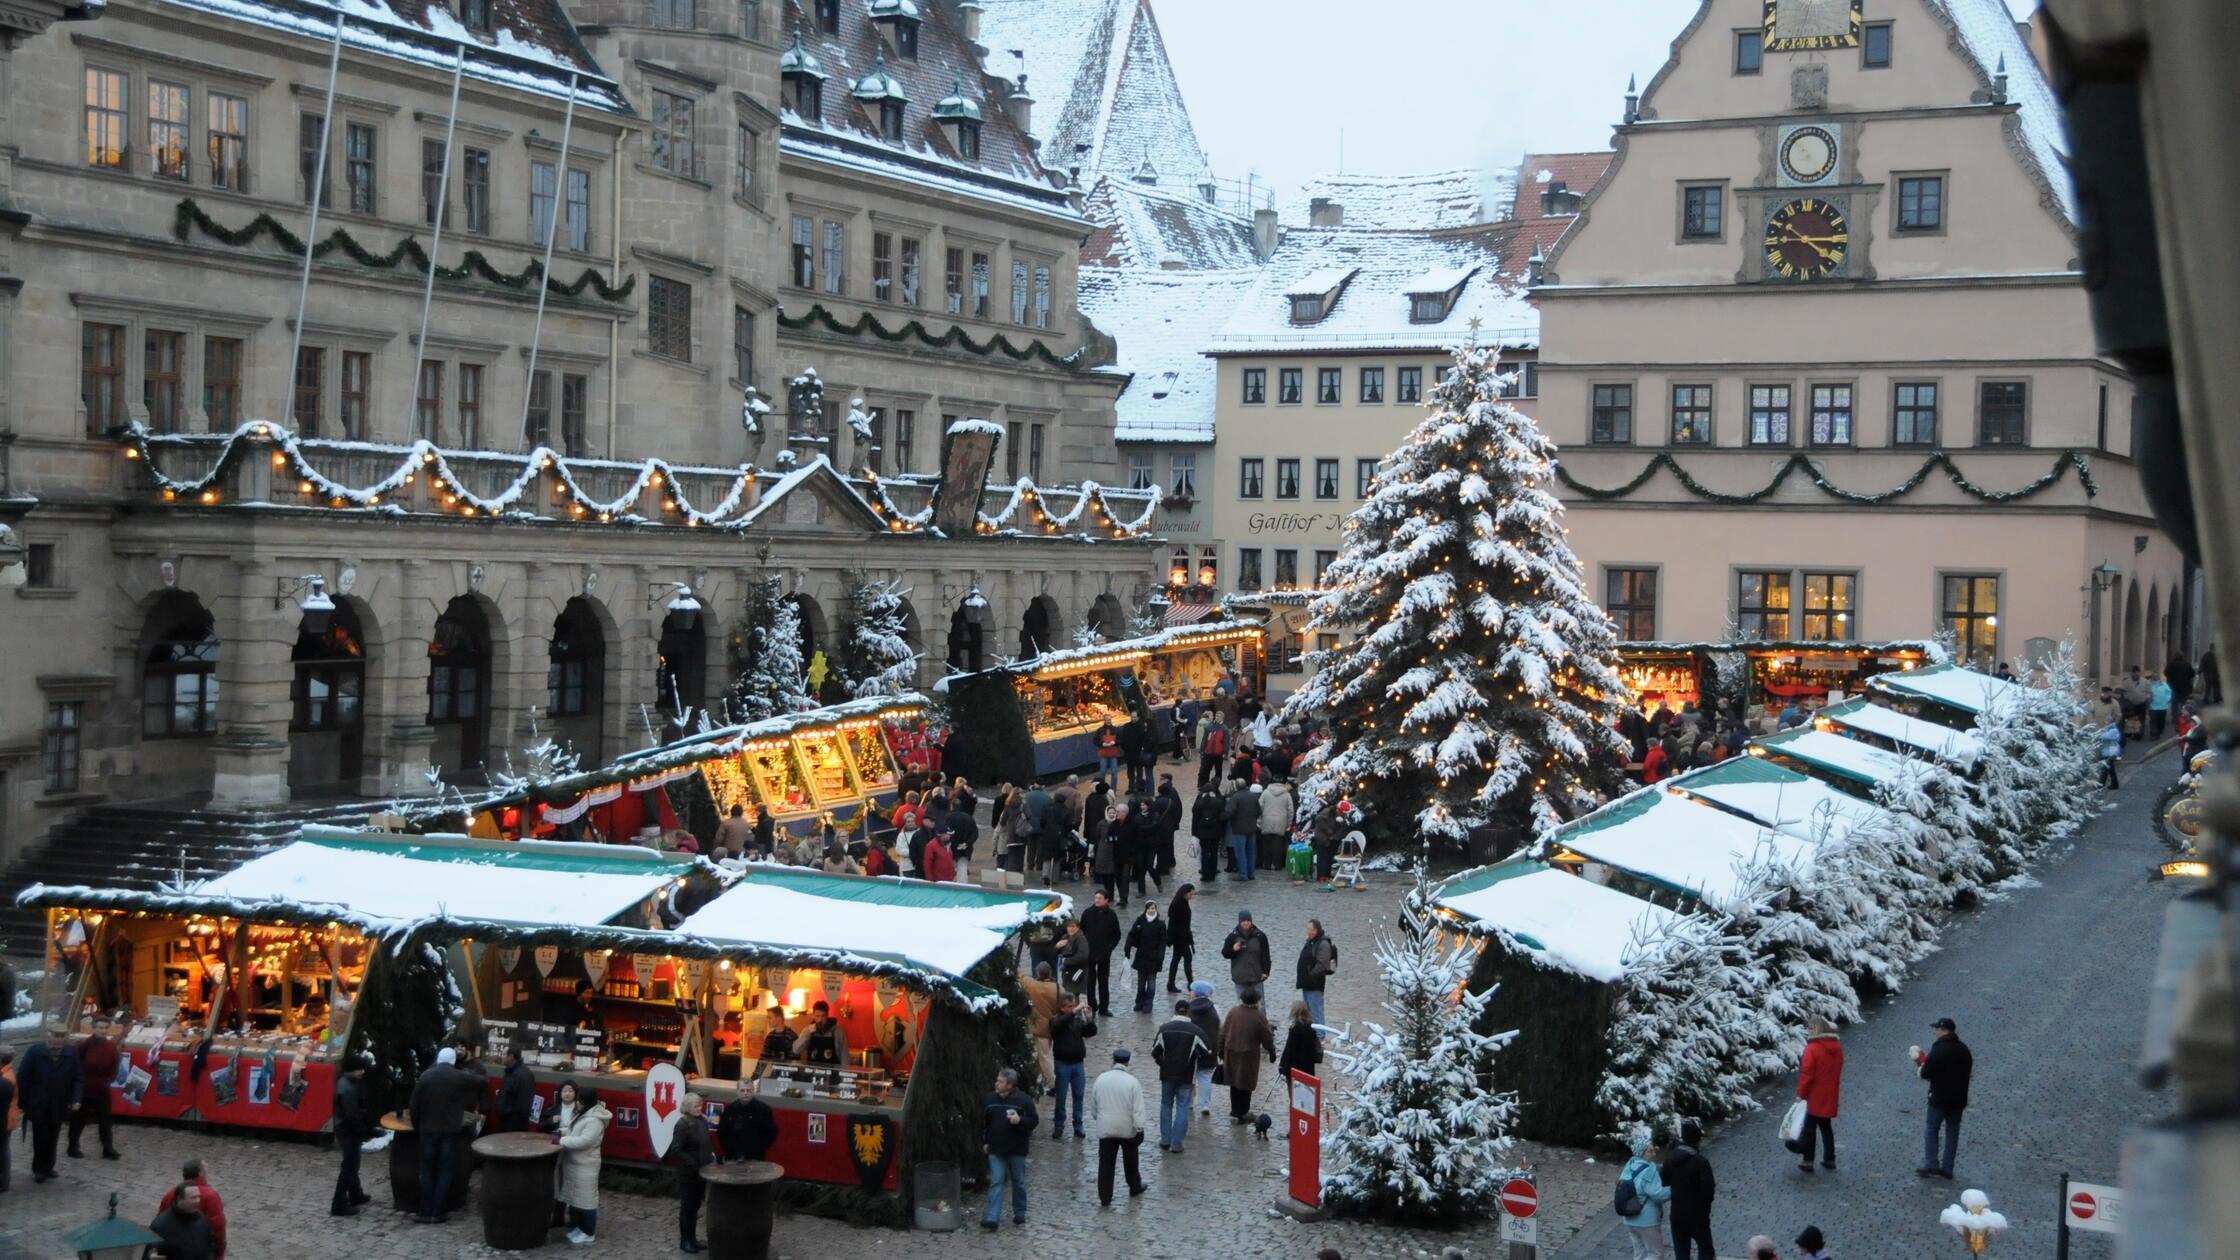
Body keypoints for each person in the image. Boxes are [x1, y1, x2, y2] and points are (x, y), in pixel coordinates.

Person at [409, 1047, 475, 1223]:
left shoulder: (426, 1076)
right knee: (444, 1171)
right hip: (449, 1130)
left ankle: (424, 1210)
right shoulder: (459, 1077)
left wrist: (418, 1126)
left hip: (428, 1130)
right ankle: (438, 1211)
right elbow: (481, 1082)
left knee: (427, 1170)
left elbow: (414, 1104)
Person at [19, 1025, 81, 1183]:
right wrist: (24, 1103)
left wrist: (76, 1099)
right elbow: (23, 1077)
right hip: (39, 1104)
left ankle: (48, 1166)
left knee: (53, 1136)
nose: (59, 1040)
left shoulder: (71, 1054)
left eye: (62, 1037)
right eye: (56, 1036)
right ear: (48, 1036)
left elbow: (78, 1078)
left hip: (59, 1104)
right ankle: (39, 1169)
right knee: (40, 1137)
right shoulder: (35, 1052)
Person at [553, 1082, 611, 1245]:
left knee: (587, 1200)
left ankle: (589, 1231)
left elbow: (585, 1140)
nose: (576, 1102)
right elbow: (575, 1130)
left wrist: (562, 1140)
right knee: (577, 1199)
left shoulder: (594, 1120)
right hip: (575, 1164)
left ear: (585, 1101)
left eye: (579, 1099)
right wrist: (562, 1132)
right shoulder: (584, 1114)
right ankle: (580, 1228)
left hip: (586, 1165)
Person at [1088, 1048, 1147, 1205]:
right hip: (1127, 1128)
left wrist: (1098, 1118)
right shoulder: (1132, 1082)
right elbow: (1138, 1108)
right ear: (1127, 1062)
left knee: (1106, 1163)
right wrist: (1139, 1127)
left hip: (1106, 1128)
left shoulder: (1101, 1079)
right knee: (1131, 1159)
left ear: (1113, 1061)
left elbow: (1094, 1105)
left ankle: (1105, 1196)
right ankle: (1134, 1185)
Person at [980, 1068, 1038, 1230]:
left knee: (1018, 1182)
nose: (996, 1083)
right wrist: (985, 1141)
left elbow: (1033, 1121)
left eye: (1000, 1081)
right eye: (997, 1080)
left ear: (1010, 1085)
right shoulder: (989, 1099)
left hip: (1016, 1149)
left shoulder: (1024, 1100)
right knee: (996, 1181)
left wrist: (1020, 1120)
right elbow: (984, 1122)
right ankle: (992, 1218)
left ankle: (1019, 1212)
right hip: (996, 1148)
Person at [1915, 1016, 1973, 1179]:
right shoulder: (1964, 1049)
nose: (1934, 1031)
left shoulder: (1939, 1049)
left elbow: (1926, 1073)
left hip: (1939, 1099)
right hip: (1958, 1100)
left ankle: (1931, 1164)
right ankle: (1948, 1168)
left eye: (1936, 1029)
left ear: (1943, 1030)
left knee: (1932, 1129)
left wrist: (1920, 1064)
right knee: (1952, 1133)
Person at [1151, 998, 1211, 1152]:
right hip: (1186, 1074)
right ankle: (1177, 1144)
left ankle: (1165, 1140)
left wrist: (1162, 1063)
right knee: (1182, 1107)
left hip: (1167, 1074)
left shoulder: (1164, 1029)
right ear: (1188, 1012)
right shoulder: (1196, 1031)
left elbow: (1154, 1051)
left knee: (1166, 1104)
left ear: (1175, 1011)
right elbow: (1207, 1052)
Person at [1217, 990, 1276, 1123]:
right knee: (1246, 1083)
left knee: (1234, 1082)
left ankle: (1236, 1109)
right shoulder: (1259, 1016)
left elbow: (1223, 1033)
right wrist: (1272, 1052)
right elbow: (1267, 1038)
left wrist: (1220, 1051)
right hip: (1248, 1055)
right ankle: (1243, 1111)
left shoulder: (1233, 1012)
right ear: (1256, 1002)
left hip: (1231, 1052)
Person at [68, 1015, 121, 1160]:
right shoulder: (84, 1045)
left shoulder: (111, 1047)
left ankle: (107, 1148)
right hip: (84, 1089)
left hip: (102, 1089)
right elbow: (75, 1064)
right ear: (94, 1028)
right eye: (99, 1028)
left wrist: (109, 1080)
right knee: (78, 1120)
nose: (102, 1031)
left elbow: (115, 1066)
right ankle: (73, 1146)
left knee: (105, 1120)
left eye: (105, 1028)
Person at [1663, 1119, 1716, 1260]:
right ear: (1697, 1140)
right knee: (1706, 1251)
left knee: (1681, 1252)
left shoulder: (1670, 1160)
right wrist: (1705, 1209)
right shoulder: (1701, 1162)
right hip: (1697, 1215)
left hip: (1677, 1214)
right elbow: (1708, 1191)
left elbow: (1664, 1180)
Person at [1795, 1015, 1843, 1172]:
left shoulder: (1812, 1049)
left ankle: (1808, 1160)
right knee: (1826, 1126)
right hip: (1830, 1093)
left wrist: (1801, 1094)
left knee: (1809, 1128)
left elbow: (1807, 1075)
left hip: (1814, 1095)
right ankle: (1830, 1158)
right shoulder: (1836, 1048)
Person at [1617, 1132, 1674, 1259]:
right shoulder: (1649, 1170)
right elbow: (1657, 1194)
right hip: (1646, 1219)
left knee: (1640, 1254)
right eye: (1650, 1151)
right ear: (1641, 1153)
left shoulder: (1630, 1166)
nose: (1654, 1154)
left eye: (1653, 1151)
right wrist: (1674, 1189)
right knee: (1655, 1254)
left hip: (1629, 1218)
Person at [156, 1160, 228, 1259]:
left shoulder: (170, 1194)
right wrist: (219, 1253)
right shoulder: (211, 1196)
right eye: (205, 1167)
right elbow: (217, 1228)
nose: (197, 1200)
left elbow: (158, 1230)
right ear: (200, 1173)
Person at [330, 1055, 373, 1216]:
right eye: (359, 1069)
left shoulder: (347, 1083)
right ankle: (339, 1203)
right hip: (348, 1131)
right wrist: (364, 1130)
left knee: (352, 1164)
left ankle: (356, 1194)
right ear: (351, 1070)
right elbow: (351, 1115)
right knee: (349, 1166)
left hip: (345, 1129)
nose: (362, 1072)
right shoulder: (347, 1088)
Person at [672, 1091, 713, 1252]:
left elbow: (705, 1144)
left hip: (701, 1172)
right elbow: (676, 1149)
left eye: (700, 1105)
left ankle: (693, 1239)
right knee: (687, 1207)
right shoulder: (682, 1124)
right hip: (688, 1173)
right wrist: (692, 1163)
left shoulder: (701, 1121)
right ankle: (685, 1241)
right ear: (687, 1107)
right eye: (695, 1106)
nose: (698, 1108)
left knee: (695, 1207)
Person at [1048, 992, 1092, 1138]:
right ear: (1062, 1007)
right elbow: (1058, 1024)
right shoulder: (1056, 1020)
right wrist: (1074, 1012)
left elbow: (1089, 1032)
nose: (1073, 1008)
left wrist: (1090, 1019)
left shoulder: (1077, 1020)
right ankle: (1059, 1125)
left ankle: (1078, 1125)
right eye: (1069, 1006)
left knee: (1078, 1096)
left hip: (1078, 1064)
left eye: (1073, 1006)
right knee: (1061, 1097)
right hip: (1062, 1064)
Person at [716, 1076, 777, 1163]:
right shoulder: (729, 1110)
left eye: (748, 1090)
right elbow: (722, 1133)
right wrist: (729, 1150)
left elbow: (772, 1133)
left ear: (753, 1091)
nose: (745, 1093)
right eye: (742, 1090)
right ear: (737, 1092)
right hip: (733, 1156)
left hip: (756, 1157)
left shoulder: (764, 1110)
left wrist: (760, 1148)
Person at [1081, 890, 1123, 1016]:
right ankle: (1092, 1006)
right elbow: (1081, 931)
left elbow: (1117, 934)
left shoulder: (1111, 915)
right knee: (1090, 982)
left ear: (1106, 900)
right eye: (1096, 898)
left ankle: (1104, 1007)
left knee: (1103, 982)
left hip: (1104, 955)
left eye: (1099, 898)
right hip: (1089, 953)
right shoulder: (1087, 913)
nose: (1097, 900)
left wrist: (1110, 948)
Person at [149, 1181, 216, 1260]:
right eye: (193, 1197)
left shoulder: (201, 1218)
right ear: (180, 1199)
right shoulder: (160, 1226)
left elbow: (210, 1244)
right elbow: (149, 1251)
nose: (198, 1200)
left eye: (198, 1197)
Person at [1221, 909, 1273, 1005]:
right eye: (1243, 921)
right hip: (1240, 977)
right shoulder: (1232, 936)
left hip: (1256, 977)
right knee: (1241, 1005)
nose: (1246, 923)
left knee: (1260, 1005)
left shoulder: (1260, 936)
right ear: (1239, 922)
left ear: (1251, 921)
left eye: (1248, 921)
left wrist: (1266, 972)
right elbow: (1225, 953)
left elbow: (1266, 955)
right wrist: (1233, 949)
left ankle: (1260, 1020)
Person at [1023, 962, 1060, 1090]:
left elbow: (1022, 978)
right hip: (1052, 1026)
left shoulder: (1033, 986)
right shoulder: (1058, 988)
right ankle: (1031, 1078)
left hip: (1038, 1027)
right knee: (1041, 1055)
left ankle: (1052, 1083)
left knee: (1044, 1056)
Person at [1187, 981, 1222, 1118]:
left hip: (1191, 1048)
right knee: (1205, 1076)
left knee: (1190, 1076)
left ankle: (1189, 1103)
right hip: (1209, 1047)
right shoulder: (1215, 1008)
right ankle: (1205, 1104)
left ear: (1195, 993)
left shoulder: (1188, 1008)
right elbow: (1221, 1026)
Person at [1296, 919, 1335, 1027]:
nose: (1309, 931)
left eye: (1311, 929)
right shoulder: (1311, 942)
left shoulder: (1323, 944)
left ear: (1317, 930)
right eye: (1308, 929)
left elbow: (1323, 964)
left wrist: (1311, 975)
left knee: (1316, 1011)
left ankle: (1320, 1037)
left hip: (1315, 984)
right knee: (1309, 1012)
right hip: (1307, 984)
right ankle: (1312, 1036)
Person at [1257, 778, 1295, 873]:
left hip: (1267, 819)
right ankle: (1277, 864)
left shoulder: (1266, 792)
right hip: (1281, 821)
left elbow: (1260, 806)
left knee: (1266, 843)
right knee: (1278, 844)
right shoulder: (1286, 794)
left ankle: (1267, 864)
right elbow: (1290, 810)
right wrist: (1289, 823)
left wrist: (1259, 820)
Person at [1224, 780, 1260, 880]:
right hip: (1251, 828)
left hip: (1239, 828)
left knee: (1241, 853)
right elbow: (1258, 811)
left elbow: (1229, 812)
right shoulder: (1253, 796)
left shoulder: (1235, 797)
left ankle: (1243, 874)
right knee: (1251, 852)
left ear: (1236, 786)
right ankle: (1251, 873)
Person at [495, 1045, 536, 1133]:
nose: (501, 1056)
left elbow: (523, 1105)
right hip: (506, 1122)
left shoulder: (524, 1075)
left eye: (503, 1054)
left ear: (511, 1056)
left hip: (514, 1126)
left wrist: (508, 1116)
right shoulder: (510, 1071)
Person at [1277, 1000, 1321, 1080]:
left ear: (1294, 1012)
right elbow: (1315, 1053)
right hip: (1309, 1072)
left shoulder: (1294, 1031)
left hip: (1294, 1072)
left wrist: (1282, 1067)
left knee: (1293, 1093)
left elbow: (1289, 1052)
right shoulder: (1312, 1030)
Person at [1191, 787, 1226, 883]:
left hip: (1203, 832)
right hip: (1215, 831)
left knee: (1205, 852)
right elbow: (1222, 817)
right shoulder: (1218, 802)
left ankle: (1205, 874)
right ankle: (1212, 873)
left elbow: (1195, 819)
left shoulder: (1198, 803)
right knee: (1214, 852)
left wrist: (1194, 833)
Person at [1166, 884, 1197, 992]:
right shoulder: (1178, 904)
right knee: (1187, 958)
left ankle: (1171, 983)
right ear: (1185, 892)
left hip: (1181, 937)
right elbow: (1174, 923)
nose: (1191, 896)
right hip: (1180, 938)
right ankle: (1190, 983)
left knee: (1176, 960)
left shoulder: (1181, 902)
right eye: (1190, 894)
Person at [798, 1001, 848, 1065]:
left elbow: (845, 1058)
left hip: (832, 1071)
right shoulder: (808, 1030)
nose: (820, 1020)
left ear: (827, 1015)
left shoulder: (838, 1032)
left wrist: (845, 1073)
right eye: (817, 1016)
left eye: (823, 1016)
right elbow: (796, 1050)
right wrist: (807, 1033)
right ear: (813, 1015)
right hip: (812, 1071)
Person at [0, 1049, 14, 1192]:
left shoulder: (6, 1079)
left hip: (5, 1118)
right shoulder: (7, 1076)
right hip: (7, 1117)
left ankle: (3, 1182)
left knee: (3, 1151)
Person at [2148, 672, 2174, 740]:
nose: (2155, 677)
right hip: (2152, 706)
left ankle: (2159, 732)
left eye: (2157, 676)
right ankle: (2153, 735)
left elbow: (2169, 692)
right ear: (2152, 677)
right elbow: (2146, 692)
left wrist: (2167, 700)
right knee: (2153, 720)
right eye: (2154, 676)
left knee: (2161, 721)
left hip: (2163, 706)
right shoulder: (2148, 684)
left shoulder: (2164, 684)